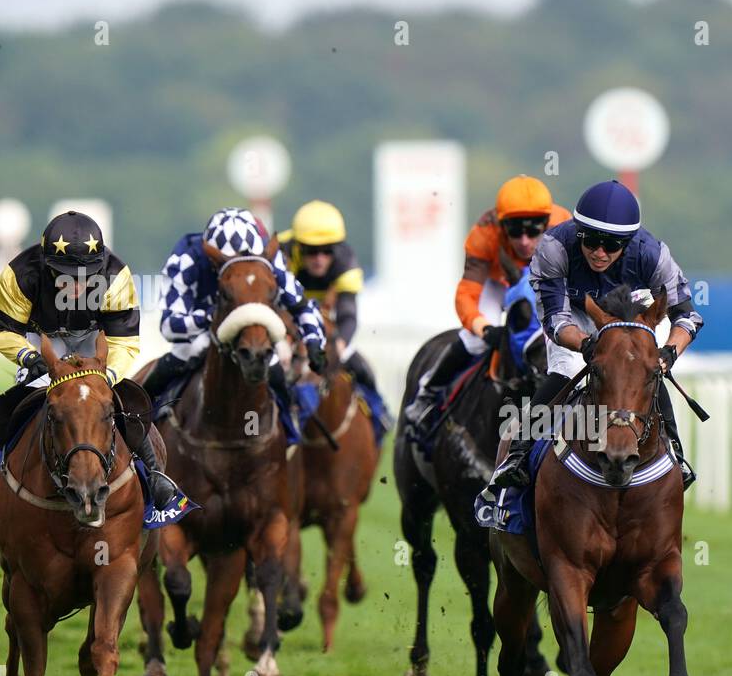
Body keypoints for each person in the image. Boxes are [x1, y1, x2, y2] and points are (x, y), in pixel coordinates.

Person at [0, 211, 182, 508]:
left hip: (94, 341)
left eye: (85, 278)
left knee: (123, 397)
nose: (76, 287)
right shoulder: (21, 273)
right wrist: (27, 356)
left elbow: (124, 341)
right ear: (47, 265)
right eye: (66, 277)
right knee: (21, 392)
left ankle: (153, 473)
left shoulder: (116, 276)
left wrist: (105, 375)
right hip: (43, 339)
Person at [489, 179, 701, 490]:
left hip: (630, 307)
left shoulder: (653, 255)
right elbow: (556, 321)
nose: (599, 253)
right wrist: (588, 345)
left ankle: (675, 454)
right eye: (590, 242)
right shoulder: (554, 247)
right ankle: (519, 453)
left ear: (627, 242)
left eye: (611, 245)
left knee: (643, 370)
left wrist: (668, 353)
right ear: (578, 233)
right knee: (567, 368)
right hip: (575, 312)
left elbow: (688, 316)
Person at [402, 175, 572, 428]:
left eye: (534, 229)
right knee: (474, 341)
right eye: (515, 230)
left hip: (544, 281)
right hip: (499, 283)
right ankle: (428, 393)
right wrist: (483, 327)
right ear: (501, 225)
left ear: (547, 223)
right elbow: (467, 293)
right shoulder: (483, 235)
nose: (524, 241)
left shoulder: (565, 227)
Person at [141, 207, 327, 415]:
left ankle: (289, 430)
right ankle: (140, 415)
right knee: (188, 351)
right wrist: (214, 317)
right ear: (213, 259)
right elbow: (168, 326)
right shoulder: (186, 258)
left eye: (249, 260)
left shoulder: (267, 259)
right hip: (201, 331)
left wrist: (314, 343)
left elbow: (302, 306)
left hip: (253, 332)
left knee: (274, 368)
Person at [276, 200, 390, 432]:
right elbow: (272, 304)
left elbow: (348, 315)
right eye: (311, 251)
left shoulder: (347, 263)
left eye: (327, 251)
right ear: (298, 246)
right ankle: (251, 423)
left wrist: (339, 343)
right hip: (286, 318)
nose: (319, 259)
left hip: (324, 320)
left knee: (360, 367)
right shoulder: (279, 256)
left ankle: (381, 415)